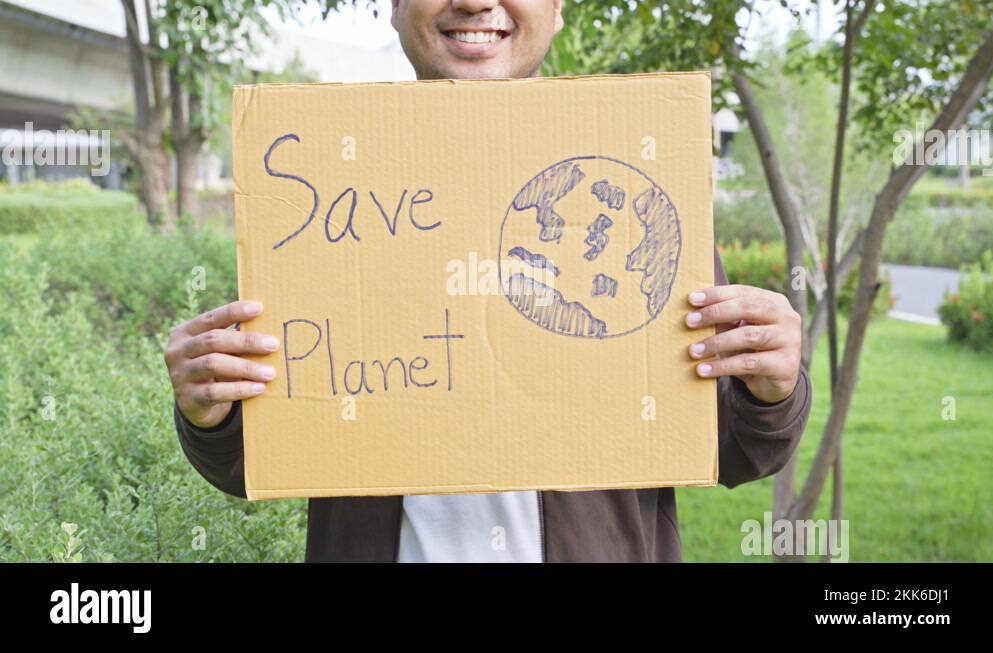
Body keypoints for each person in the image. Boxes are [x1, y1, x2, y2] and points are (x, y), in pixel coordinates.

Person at [164, 0, 811, 562]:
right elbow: (261, 453)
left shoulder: (636, 200)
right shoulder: (322, 190)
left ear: (557, 8)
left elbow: (732, 449)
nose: (475, 2)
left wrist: (772, 391)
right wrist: (211, 413)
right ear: (393, 4)